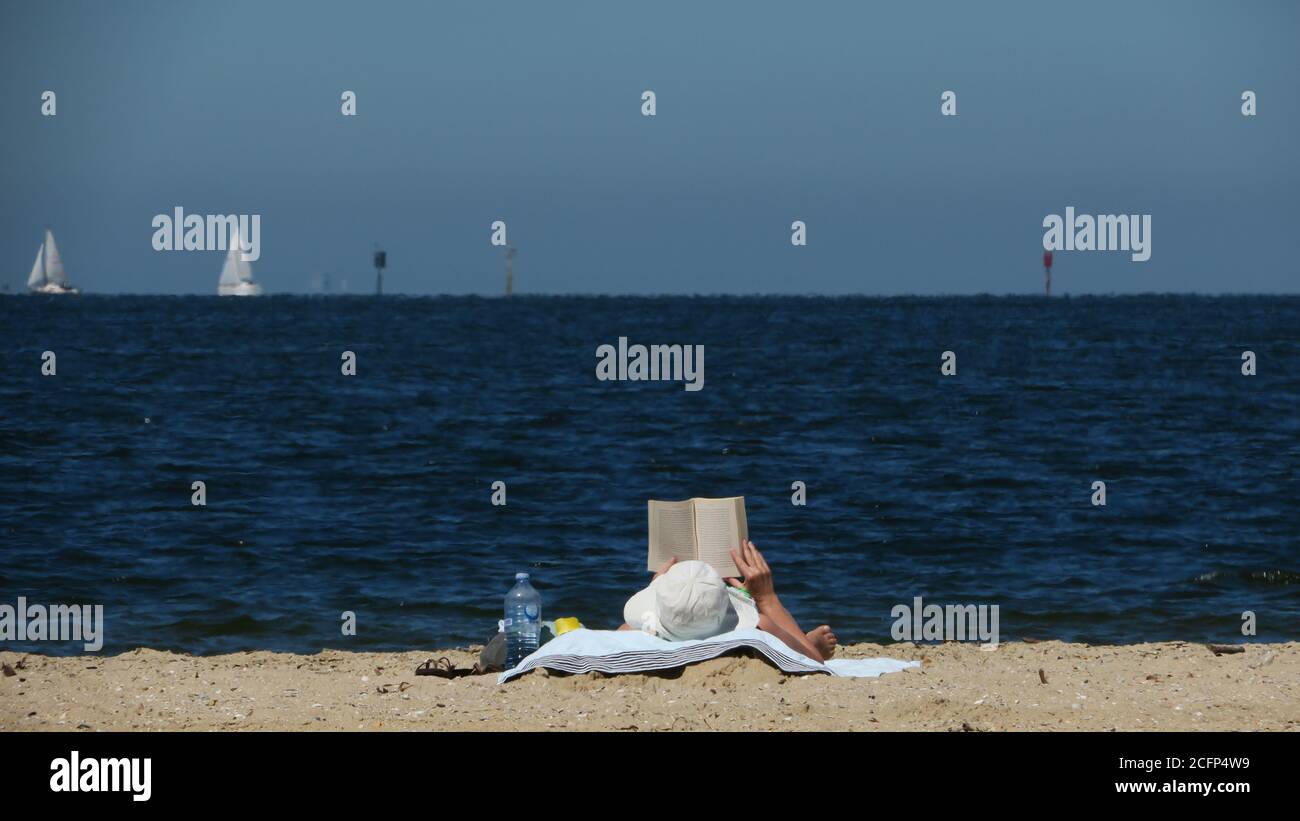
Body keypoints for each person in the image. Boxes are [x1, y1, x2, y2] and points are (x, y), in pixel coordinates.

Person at [620, 539, 837, 661]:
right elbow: (814, 661)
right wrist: (767, 598)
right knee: (804, 646)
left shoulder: (632, 631)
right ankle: (807, 639)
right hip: (747, 640)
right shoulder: (760, 627)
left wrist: (659, 588)